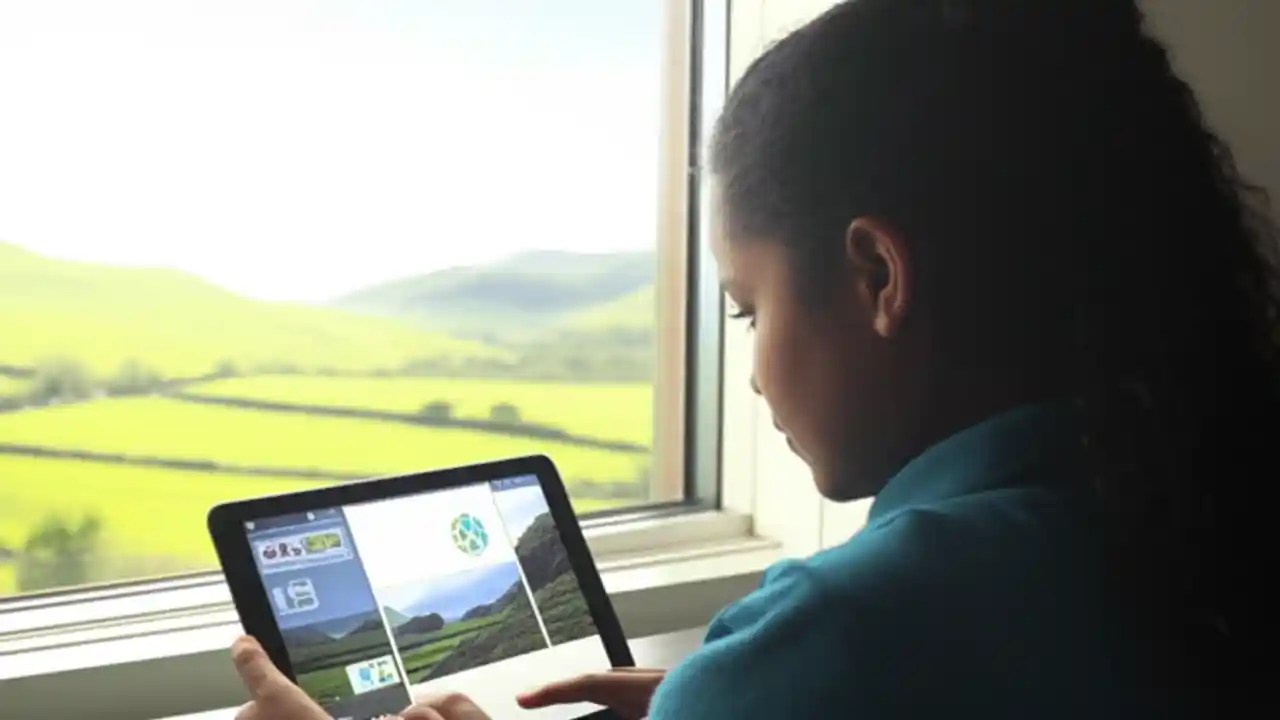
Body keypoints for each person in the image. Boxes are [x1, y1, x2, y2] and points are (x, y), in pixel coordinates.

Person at [228, 0, 1280, 717]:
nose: (754, 375)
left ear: (877, 276)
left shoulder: (850, 629)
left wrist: (754, 690)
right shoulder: (1189, 510)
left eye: (745, 310)